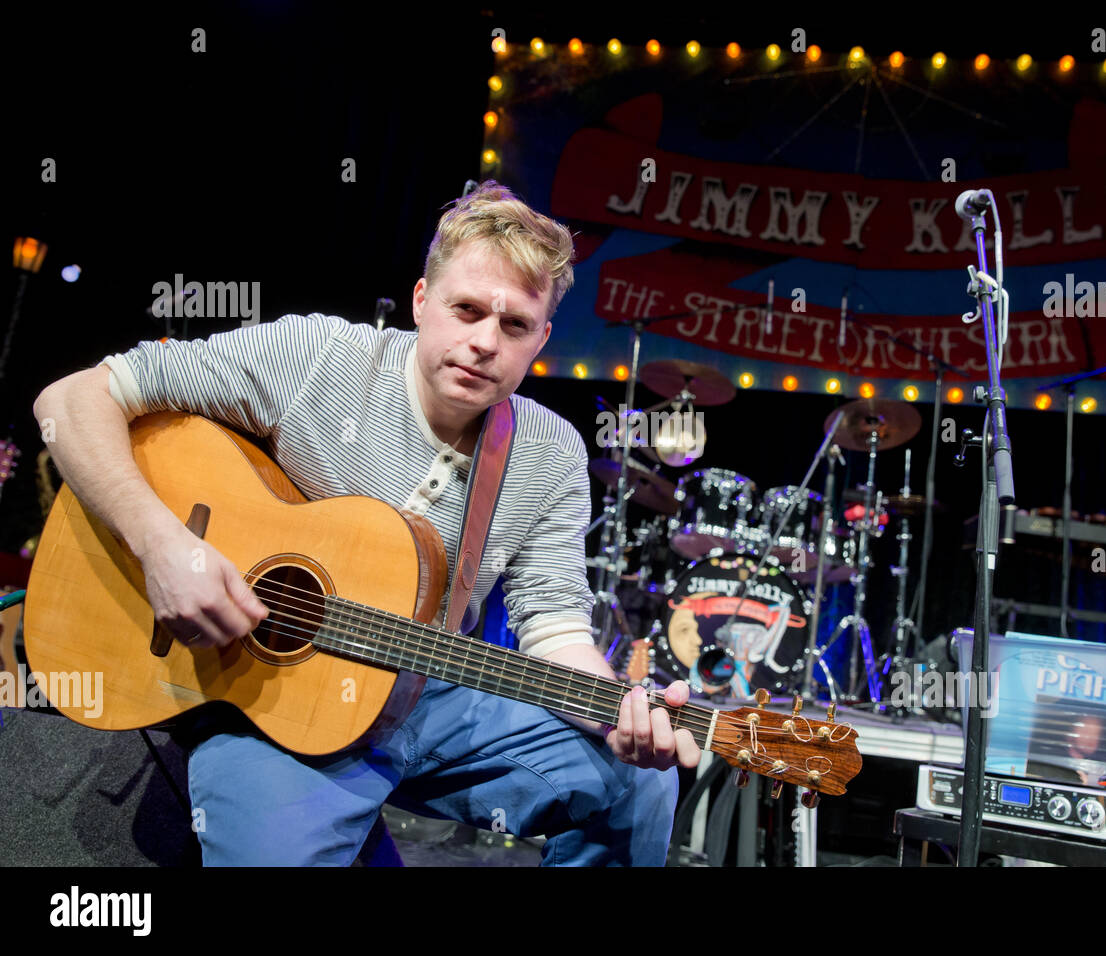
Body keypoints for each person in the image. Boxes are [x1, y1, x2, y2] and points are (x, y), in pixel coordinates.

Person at [32, 181, 700, 866]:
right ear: (420, 301)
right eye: (465, 310)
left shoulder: (549, 451)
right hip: (271, 705)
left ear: (542, 339)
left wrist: (616, 713)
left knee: (639, 783)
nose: (482, 343)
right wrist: (163, 545)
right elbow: (73, 397)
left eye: (514, 326)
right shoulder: (319, 357)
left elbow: (555, 629)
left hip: (431, 697)